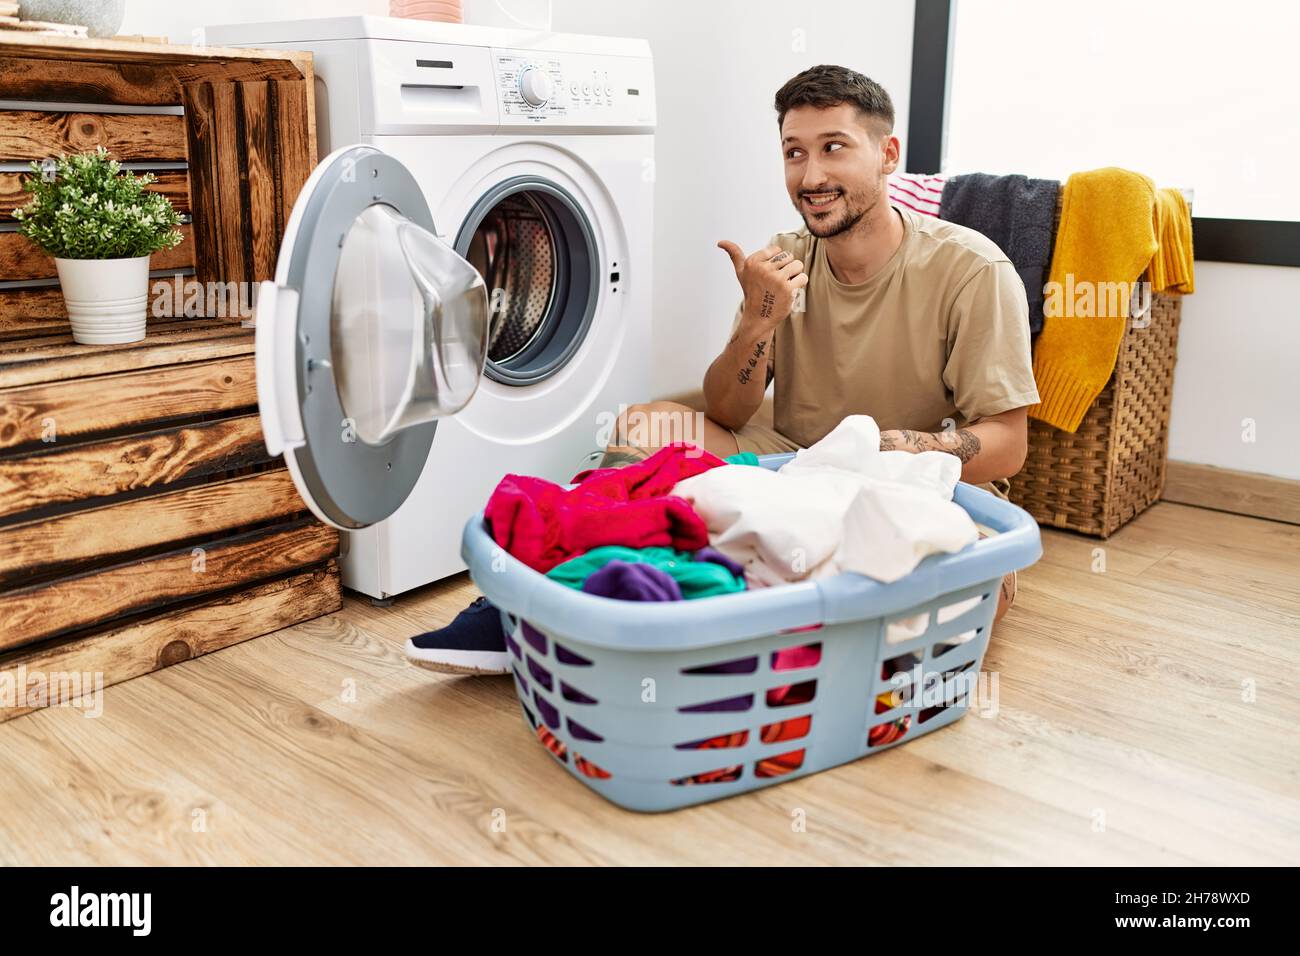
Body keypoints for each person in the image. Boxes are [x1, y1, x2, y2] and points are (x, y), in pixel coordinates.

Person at [406, 64, 1038, 675]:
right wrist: (761, 320)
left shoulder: (971, 271)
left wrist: (885, 451)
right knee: (646, 427)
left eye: (833, 148)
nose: (811, 175)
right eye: (794, 153)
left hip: (920, 481)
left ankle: (731, 632)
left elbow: (1007, 445)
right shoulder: (786, 256)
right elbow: (728, 412)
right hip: (790, 457)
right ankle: (558, 593)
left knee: (965, 595)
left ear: (888, 153)